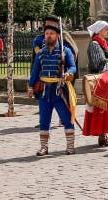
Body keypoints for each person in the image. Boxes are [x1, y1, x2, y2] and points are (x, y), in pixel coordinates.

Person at [28, 20, 77, 155]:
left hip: (60, 90)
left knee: (66, 118)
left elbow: (73, 67)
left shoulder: (65, 51)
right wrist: (31, 86)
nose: (49, 36)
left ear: (57, 36)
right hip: (44, 91)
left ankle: (70, 146)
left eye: (51, 33)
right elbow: (35, 71)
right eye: (47, 33)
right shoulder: (41, 53)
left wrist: (68, 73)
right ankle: (44, 147)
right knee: (44, 119)